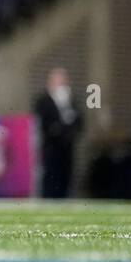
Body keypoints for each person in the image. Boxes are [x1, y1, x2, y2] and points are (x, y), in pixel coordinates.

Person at [34, 67, 82, 198]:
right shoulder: (42, 100)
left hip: (66, 146)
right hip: (50, 147)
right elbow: (42, 123)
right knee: (50, 176)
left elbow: (79, 122)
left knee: (65, 176)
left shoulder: (71, 100)